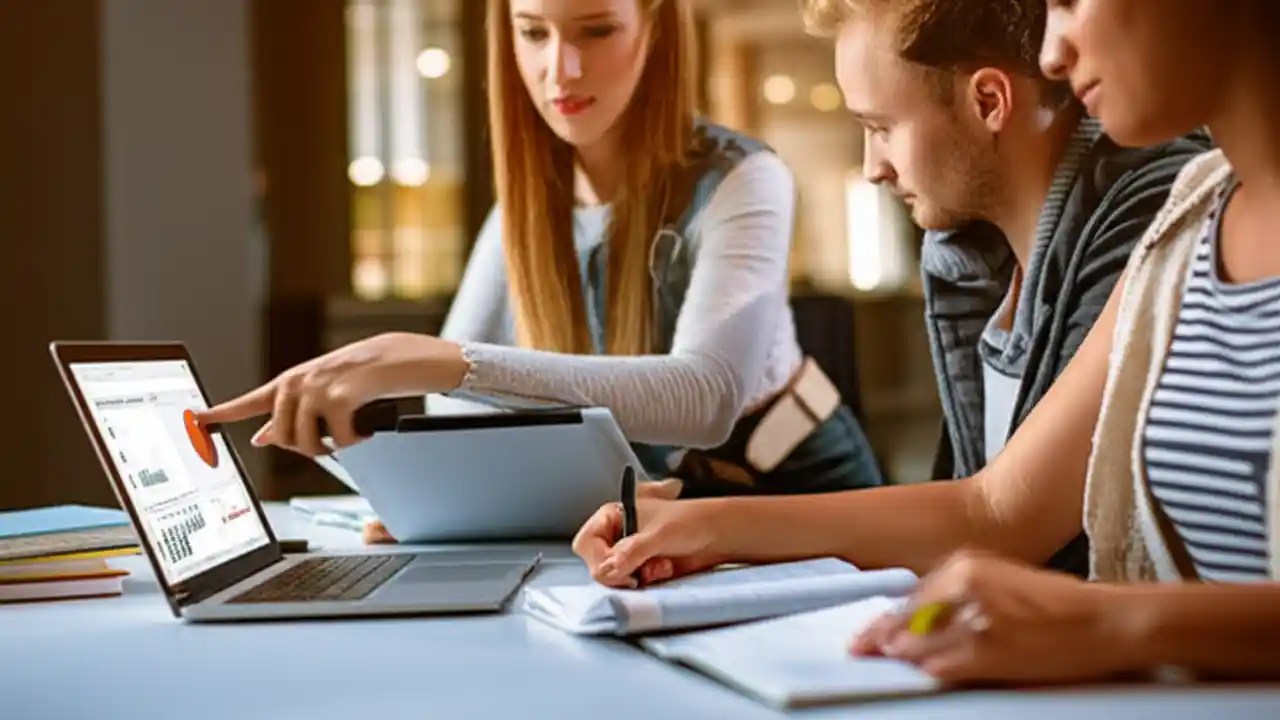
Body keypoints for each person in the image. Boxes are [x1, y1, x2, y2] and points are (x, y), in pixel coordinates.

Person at [572, 0, 1280, 683]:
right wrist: (701, 527)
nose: (1052, 53)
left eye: (1068, 1)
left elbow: (1007, 529)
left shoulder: (1142, 212)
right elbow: (996, 510)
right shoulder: (1184, 228)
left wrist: (1106, 624)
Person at [196, 0, 883, 499]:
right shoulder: (525, 207)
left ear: (655, 30)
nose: (562, 69)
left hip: (799, 487)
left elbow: (703, 399)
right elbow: (452, 408)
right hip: (652, 502)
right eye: (533, 32)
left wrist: (447, 362)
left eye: (598, 29)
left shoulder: (743, 178)